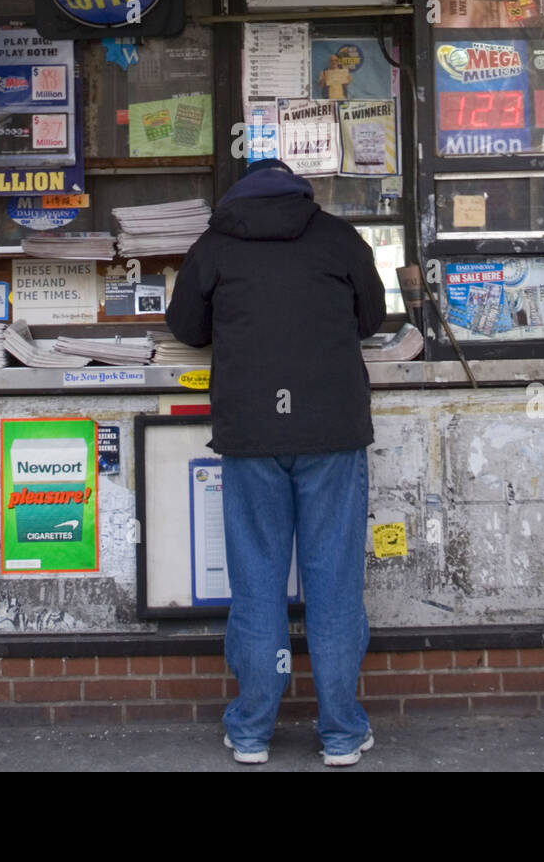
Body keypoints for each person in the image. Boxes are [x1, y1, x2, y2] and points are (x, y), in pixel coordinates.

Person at [166, 156, 386, 766]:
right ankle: (341, 733)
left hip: (252, 431)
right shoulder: (340, 237)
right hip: (332, 431)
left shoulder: (214, 244)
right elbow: (373, 319)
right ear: (303, 194)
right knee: (335, 587)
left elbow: (184, 326)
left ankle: (253, 730)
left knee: (257, 585)